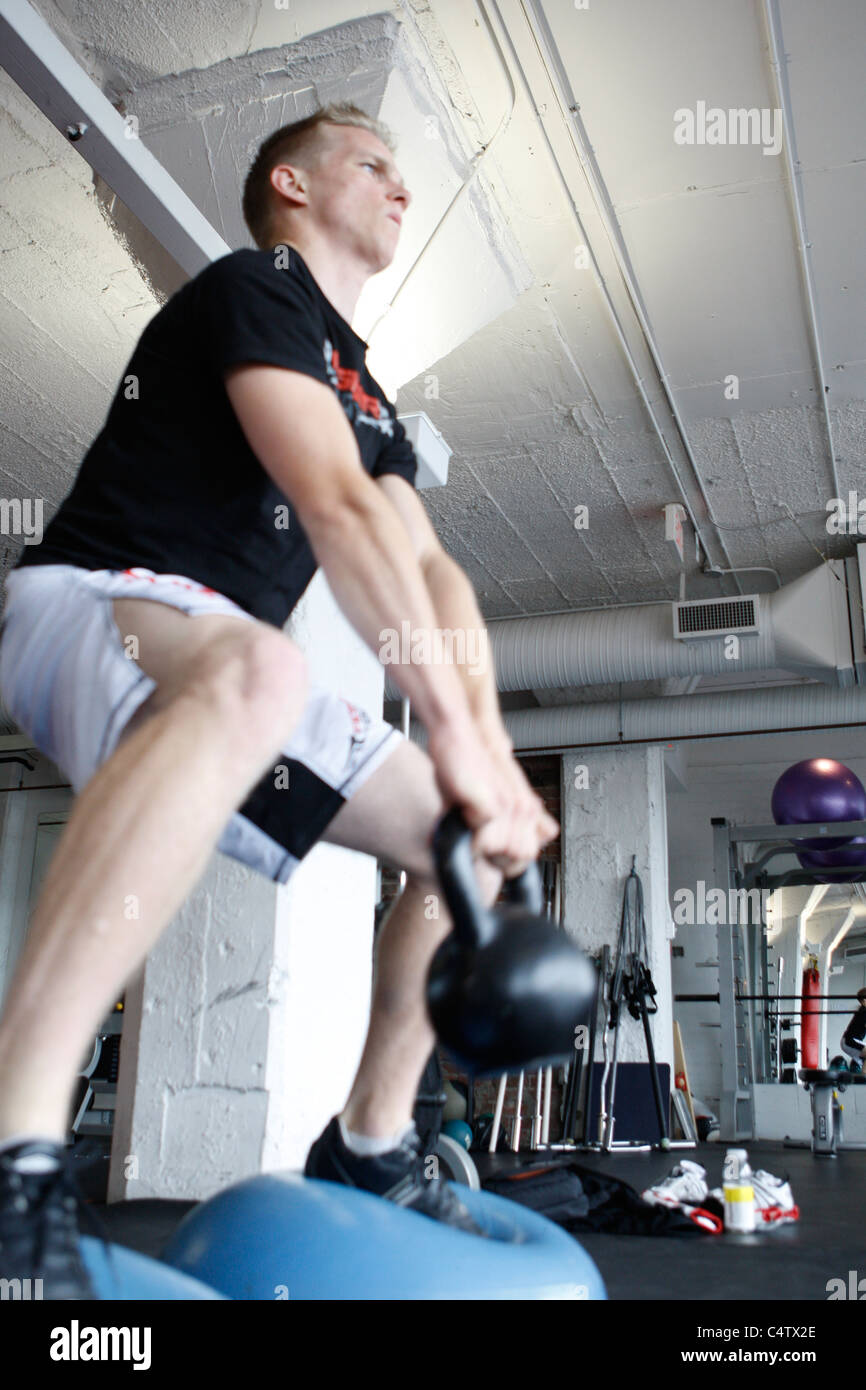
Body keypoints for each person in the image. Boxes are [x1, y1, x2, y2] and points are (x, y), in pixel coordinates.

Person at [0, 101, 558, 1299]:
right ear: (292, 186)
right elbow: (337, 510)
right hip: (90, 606)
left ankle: (364, 1140)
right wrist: (455, 730)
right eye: (373, 163)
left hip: (220, 657)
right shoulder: (258, 284)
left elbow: (430, 572)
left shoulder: (368, 393)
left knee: (464, 844)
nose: (402, 188)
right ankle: (18, 1151)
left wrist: (490, 763)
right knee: (264, 668)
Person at [840, 986, 866, 1073]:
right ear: (864, 1001)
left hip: (853, 1040)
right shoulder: (863, 1012)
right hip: (849, 1041)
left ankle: (862, 1079)